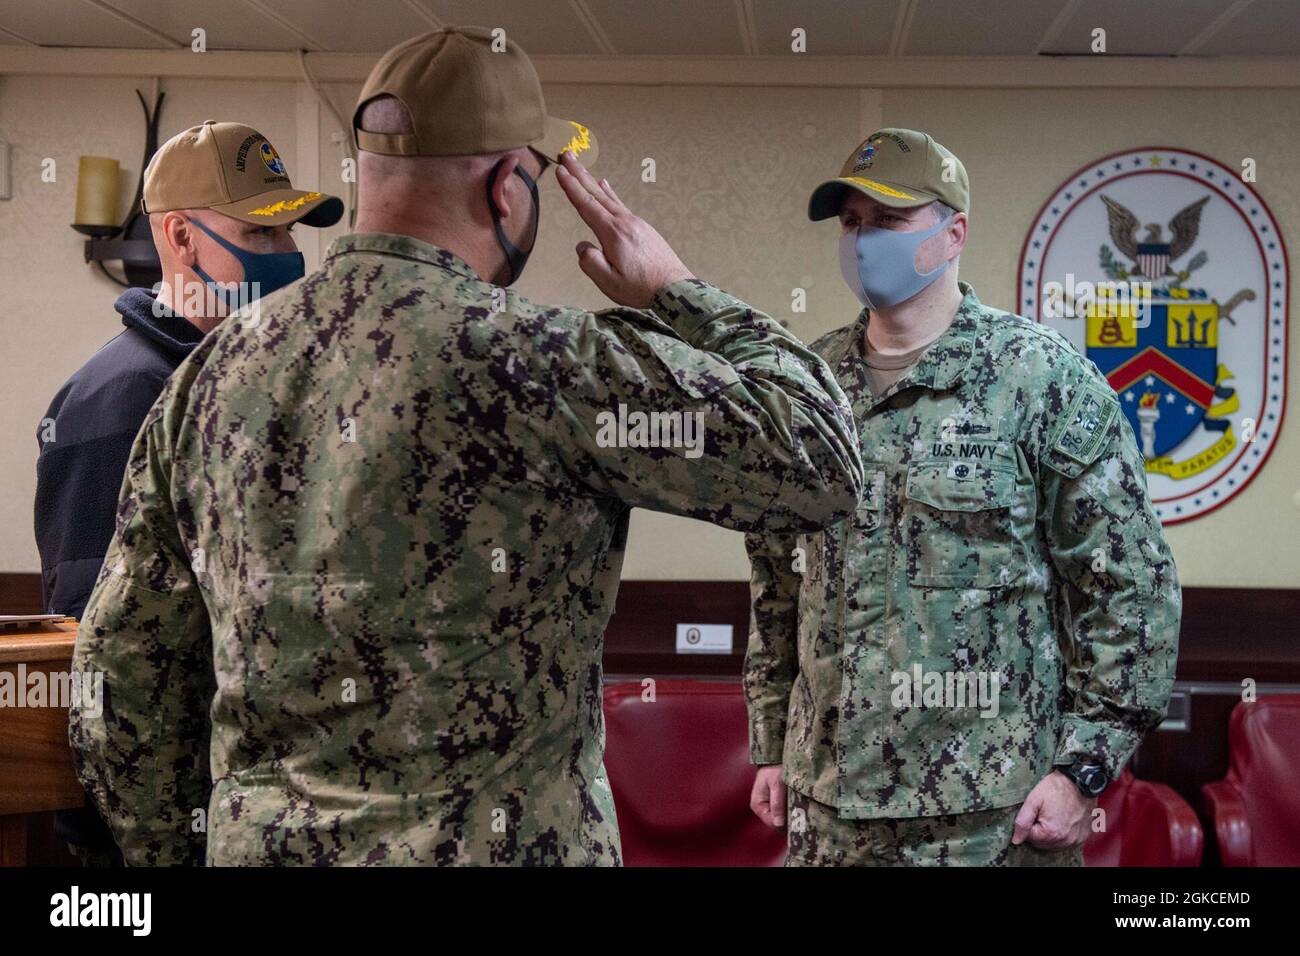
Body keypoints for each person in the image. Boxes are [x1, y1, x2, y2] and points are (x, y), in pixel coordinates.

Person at [68, 28, 863, 866]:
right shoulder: (545, 362)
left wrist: (182, 850)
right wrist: (677, 291)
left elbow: (119, 680)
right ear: (506, 187)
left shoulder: (209, 377)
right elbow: (821, 460)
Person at [745, 128, 1181, 866]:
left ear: (955, 234)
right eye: (851, 223)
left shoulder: (1042, 382)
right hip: (828, 812)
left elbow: (1131, 590)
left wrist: (1084, 770)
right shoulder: (808, 387)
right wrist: (768, 740)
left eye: (888, 221)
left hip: (988, 822)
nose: (862, 240)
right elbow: (777, 579)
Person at [36, 120, 340, 864]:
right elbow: (97, 657)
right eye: (261, 235)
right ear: (179, 238)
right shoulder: (119, 400)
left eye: (290, 233)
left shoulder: (249, 381)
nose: (288, 256)